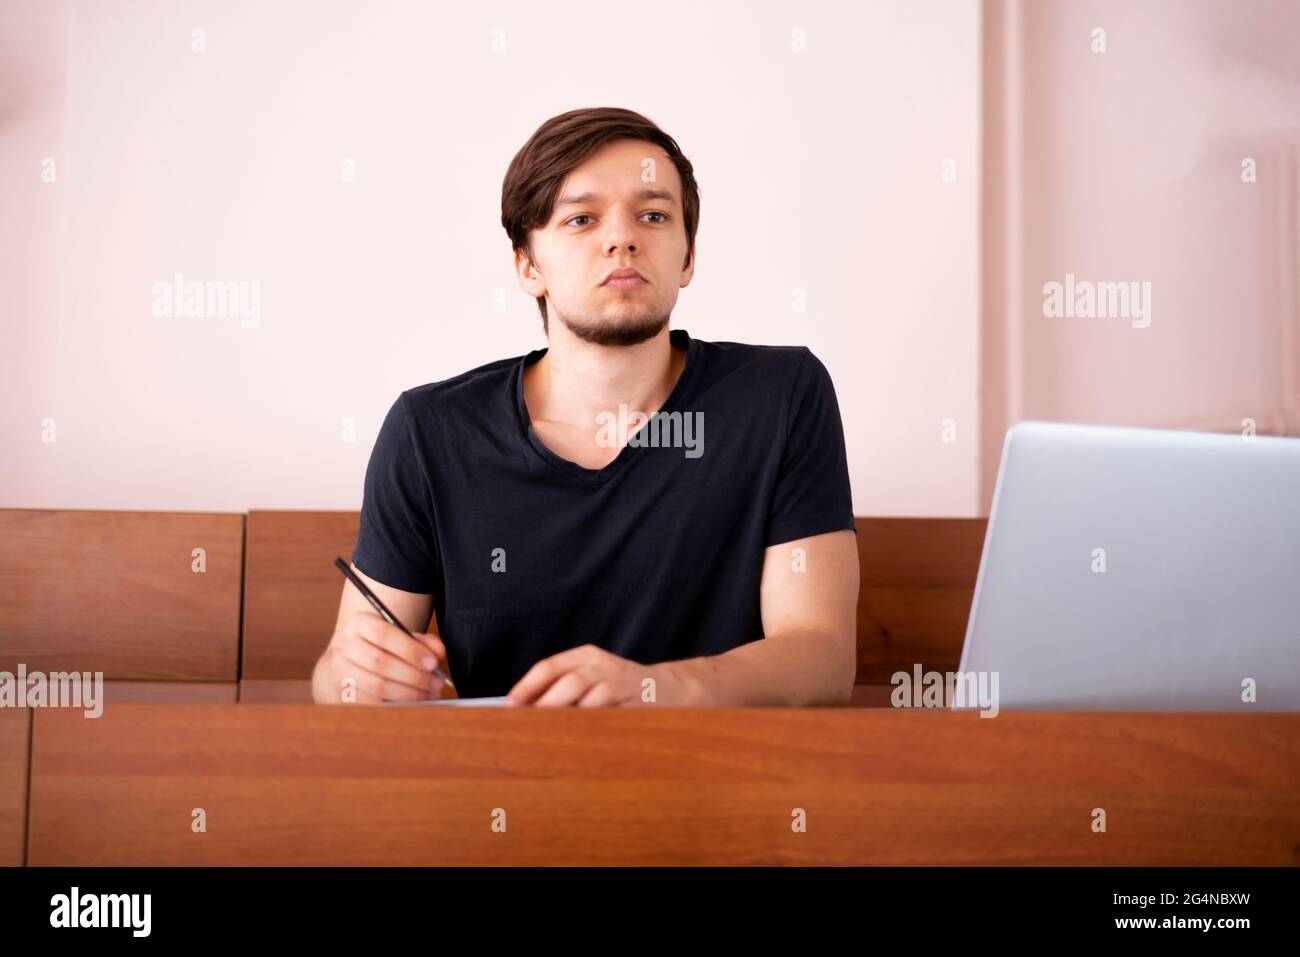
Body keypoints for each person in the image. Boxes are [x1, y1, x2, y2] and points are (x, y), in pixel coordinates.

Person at [312, 107, 859, 707]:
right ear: (528, 266)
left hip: (722, 780)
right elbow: (343, 674)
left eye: (653, 215)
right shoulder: (430, 432)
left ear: (687, 258)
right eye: (581, 218)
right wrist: (352, 679)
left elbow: (821, 654)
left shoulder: (780, 395)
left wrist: (657, 687)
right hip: (503, 790)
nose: (622, 238)